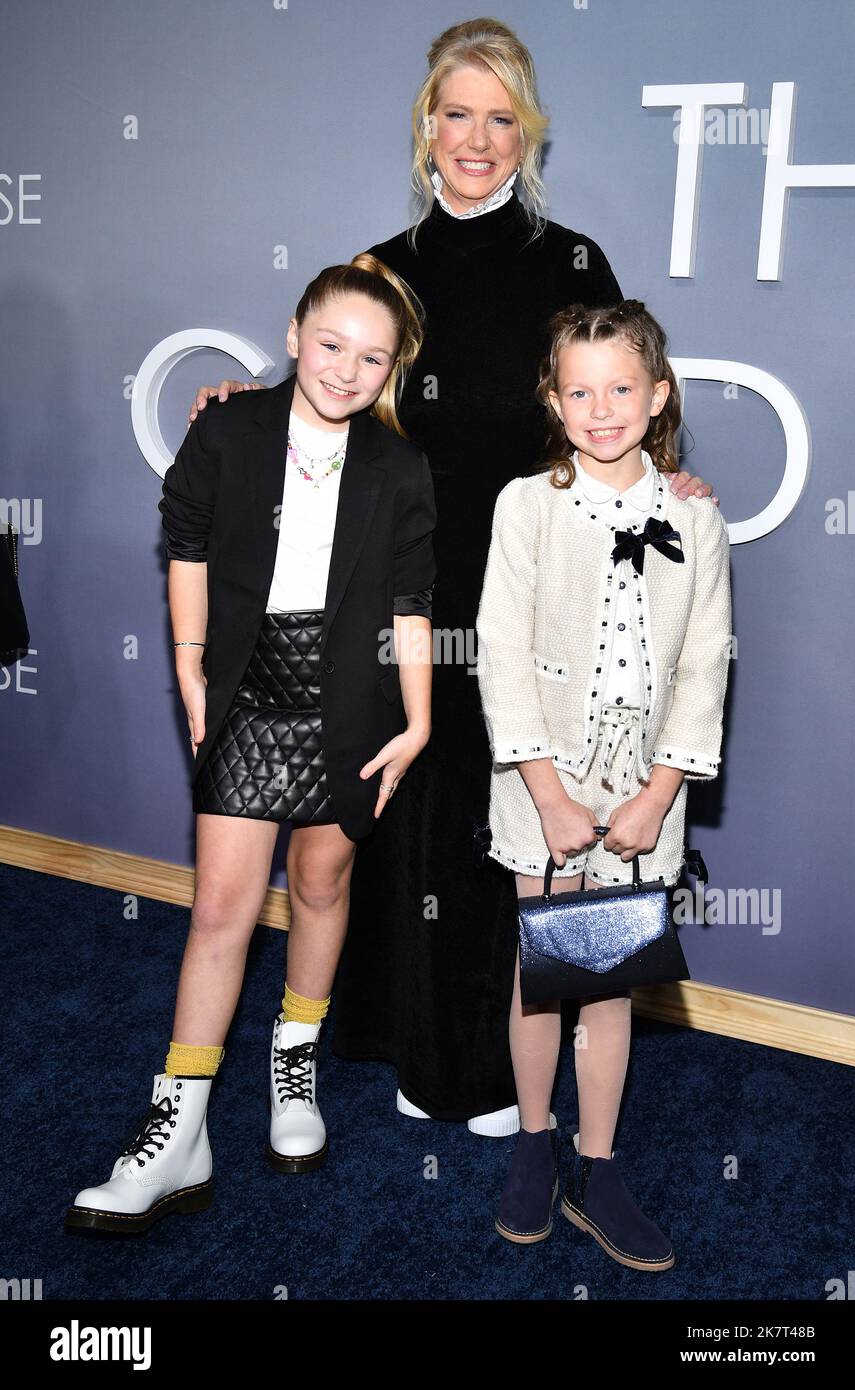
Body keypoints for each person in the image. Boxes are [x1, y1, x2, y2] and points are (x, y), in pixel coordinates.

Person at [189, 17, 717, 1134]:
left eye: (500, 117)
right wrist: (237, 406)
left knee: (517, 827)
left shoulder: (572, 263)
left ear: (527, 134)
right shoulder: (385, 267)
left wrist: (676, 482)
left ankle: (495, 1072)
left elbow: (619, 392)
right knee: (409, 821)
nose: (476, 138)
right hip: (402, 596)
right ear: (424, 128)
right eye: (455, 114)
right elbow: (325, 387)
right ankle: (408, 1049)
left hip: (540, 597)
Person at [64, 255, 436, 1234]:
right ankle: (180, 1127)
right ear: (292, 335)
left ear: (390, 367)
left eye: (371, 358)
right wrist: (189, 662)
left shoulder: (398, 467)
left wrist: (420, 719)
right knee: (221, 908)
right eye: (331, 346)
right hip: (248, 694)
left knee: (320, 885)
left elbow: (410, 602)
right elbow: (183, 538)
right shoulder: (228, 429)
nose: (347, 370)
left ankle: (294, 1059)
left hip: (351, 700)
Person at [476, 299, 732, 1267]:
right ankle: (534, 1145)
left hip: (642, 788)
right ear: (553, 400)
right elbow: (498, 651)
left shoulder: (694, 516)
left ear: (657, 395)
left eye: (621, 387)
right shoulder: (525, 503)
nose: (601, 407)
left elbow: (706, 662)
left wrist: (659, 793)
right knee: (543, 972)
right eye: (578, 390)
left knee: (607, 983)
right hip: (541, 777)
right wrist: (547, 790)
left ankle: (600, 1163)